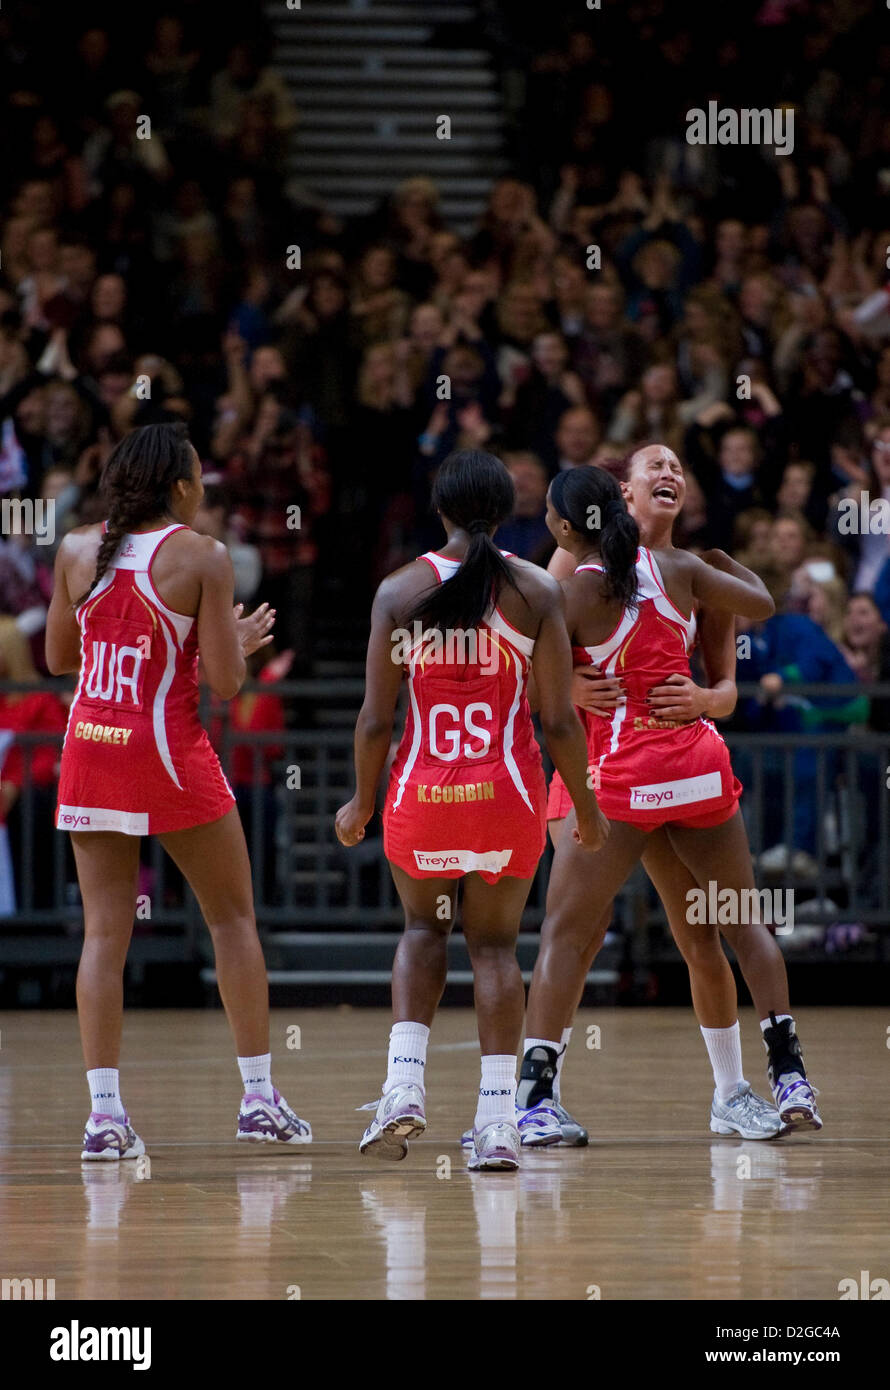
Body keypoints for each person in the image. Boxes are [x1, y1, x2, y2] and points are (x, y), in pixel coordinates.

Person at [516, 464, 822, 1140]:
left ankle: (535, 1098)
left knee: (572, 937)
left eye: (675, 466)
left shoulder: (569, 590)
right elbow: (764, 602)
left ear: (569, 526)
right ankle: (786, 1074)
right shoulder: (683, 568)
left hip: (621, 776)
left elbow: (511, 652)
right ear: (622, 498)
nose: (669, 472)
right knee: (731, 927)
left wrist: (558, 691)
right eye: (654, 464)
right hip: (694, 774)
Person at [335, 449, 607, 1172]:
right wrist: (585, 805)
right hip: (505, 798)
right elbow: (558, 723)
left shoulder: (398, 590)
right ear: (509, 512)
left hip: (423, 796)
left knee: (423, 930)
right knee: (493, 950)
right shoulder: (534, 590)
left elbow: (373, 722)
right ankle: (496, 1124)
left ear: (441, 509)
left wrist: (363, 801)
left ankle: (402, 1092)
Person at [46, 422, 311, 1160]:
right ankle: (259, 1099)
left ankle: (104, 1119)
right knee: (231, 920)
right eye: (200, 479)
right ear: (181, 486)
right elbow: (226, 686)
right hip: (165, 750)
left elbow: (59, 657)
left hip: (91, 749)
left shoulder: (73, 549)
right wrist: (235, 638)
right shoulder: (203, 556)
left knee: (103, 937)